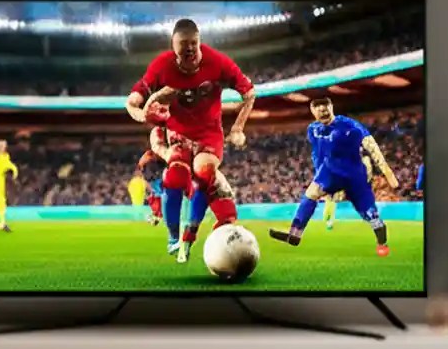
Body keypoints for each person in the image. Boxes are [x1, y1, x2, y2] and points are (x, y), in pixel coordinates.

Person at [125, 18, 256, 264]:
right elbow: (131, 101)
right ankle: (173, 237)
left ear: (200, 42)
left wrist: (238, 127)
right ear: (173, 47)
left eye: (193, 44)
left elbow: (249, 92)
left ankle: (190, 234)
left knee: (204, 171)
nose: (189, 50)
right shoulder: (161, 66)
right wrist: (143, 112)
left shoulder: (217, 62)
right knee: (174, 176)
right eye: (183, 45)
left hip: (208, 135)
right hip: (178, 136)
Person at [269, 97, 399, 255]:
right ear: (313, 112)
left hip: (353, 174)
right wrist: (319, 175)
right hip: (329, 172)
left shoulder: (350, 126)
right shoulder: (313, 130)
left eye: (325, 109)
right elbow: (317, 154)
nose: (322, 112)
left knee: (369, 213)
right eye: (318, 110)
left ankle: (381, 241)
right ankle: (295, 234)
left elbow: (371, 146)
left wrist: (387, 173)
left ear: (331, 108)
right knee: (310, 194)